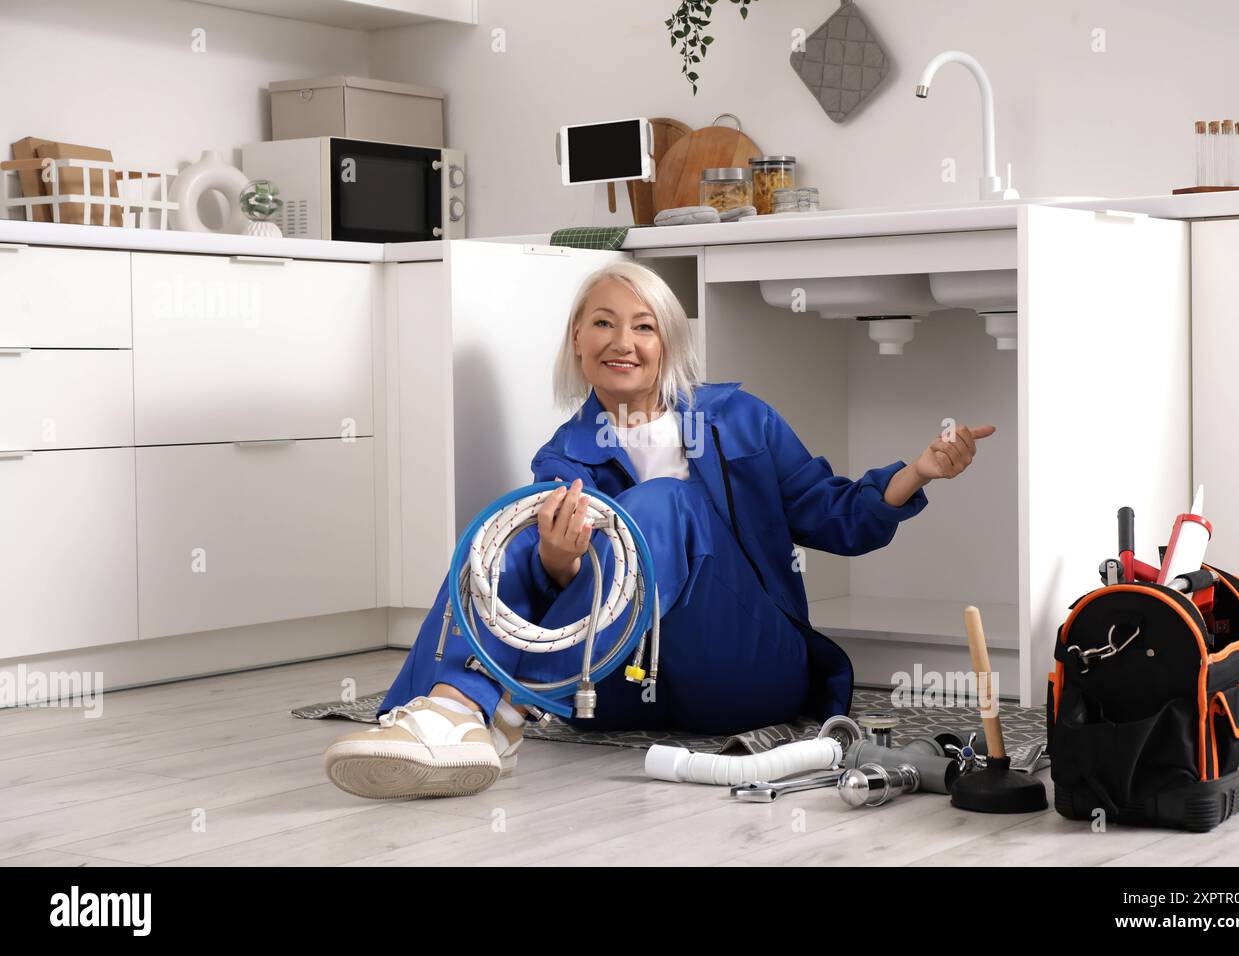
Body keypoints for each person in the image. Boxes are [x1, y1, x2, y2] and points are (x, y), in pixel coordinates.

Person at [324, 261, 994, 800]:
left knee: (662, 506)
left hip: (746, 671)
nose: (623, 341)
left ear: (668, 342)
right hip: (615, 687)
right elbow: (566, 588)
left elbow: (837, 518)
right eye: (604, 324)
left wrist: (918, 472)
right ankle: (442, 713)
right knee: (507, 531)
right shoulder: (563, 455)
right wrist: (559, 563)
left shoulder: (738, 417)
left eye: (643, 326)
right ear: (577, 342)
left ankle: (491, 707)